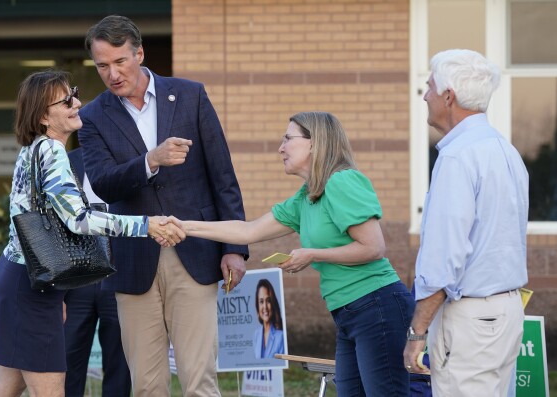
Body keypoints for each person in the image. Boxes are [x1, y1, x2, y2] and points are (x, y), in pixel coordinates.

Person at [163, 111, 415, 396]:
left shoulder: (342, 182)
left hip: (376, 305)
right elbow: (248, 231)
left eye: (288, 139)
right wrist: (184, 226)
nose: (280, 148)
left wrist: (312, 254)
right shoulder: (307, 196)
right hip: (348, 312)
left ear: (315, 142)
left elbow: (373, 247)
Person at [0, 70, 184, 397]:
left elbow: (23, 218)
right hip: (31, 287)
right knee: (51, 391)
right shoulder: (52, 151)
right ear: (44, 115)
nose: (78, 103)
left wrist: (53, 290)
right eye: (67, 100)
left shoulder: (31, 150)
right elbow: (80, 220)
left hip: (21, 278)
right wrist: (146, 225)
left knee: (6, 385)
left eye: (73, 94)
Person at [78, 15, 249, 397]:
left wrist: (235, 248)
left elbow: (223, 176)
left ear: (139, 53)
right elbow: (103, 182)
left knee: (199, 379)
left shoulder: (191, 95)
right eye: (102, 65)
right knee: (146, 384)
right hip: (133, 259)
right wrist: (150, 160)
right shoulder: (90, 117)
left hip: (194, 252)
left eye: (120, 61)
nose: (112, 73)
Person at [402, 49, 529, 396]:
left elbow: (445, 258)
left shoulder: (458, 156)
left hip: (470, 320)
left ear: (448, 96)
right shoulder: (505, 150)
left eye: (428, 87)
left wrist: (417, 333)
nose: (424, 95)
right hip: (506, 311)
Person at [63, 147, 131, 397]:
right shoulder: (67, 162)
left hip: (118, 274)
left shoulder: (128, 160)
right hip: (77, 278)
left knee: (120, 363)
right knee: (69, 359)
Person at [252, 278, 285, 359]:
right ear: (257, 305)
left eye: (268, 301)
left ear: (273, 303)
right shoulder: (256, 335)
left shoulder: (281, 336)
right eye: (261, 301)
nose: (265, 307)